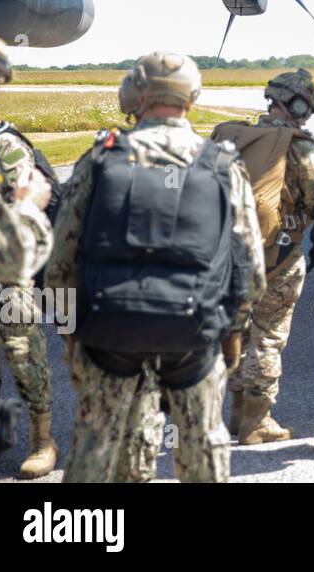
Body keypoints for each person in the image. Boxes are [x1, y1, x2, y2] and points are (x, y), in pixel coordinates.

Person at [47, 51, 266, 483]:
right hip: (193, 330)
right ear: (192, 96)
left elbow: (60, 263)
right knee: (203, 440)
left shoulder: (102, 158)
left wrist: (71, 330)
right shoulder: (221, 164)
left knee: (96, 441)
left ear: (136, 94)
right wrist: (232, 333)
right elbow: (251, 268)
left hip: (109, 331)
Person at [212, 68, 314, 444]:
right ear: (297, 104)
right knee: (269, 336)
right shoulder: (298, 145)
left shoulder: (234, 136)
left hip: (230, 255)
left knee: (239, 334)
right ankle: (257, 421)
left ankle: (237, 410)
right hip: (279, 254)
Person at [0, 24, 54, 471]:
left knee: (23, 355)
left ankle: (43, 442)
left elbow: (29, 196)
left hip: (5, 273)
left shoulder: (0, 143)